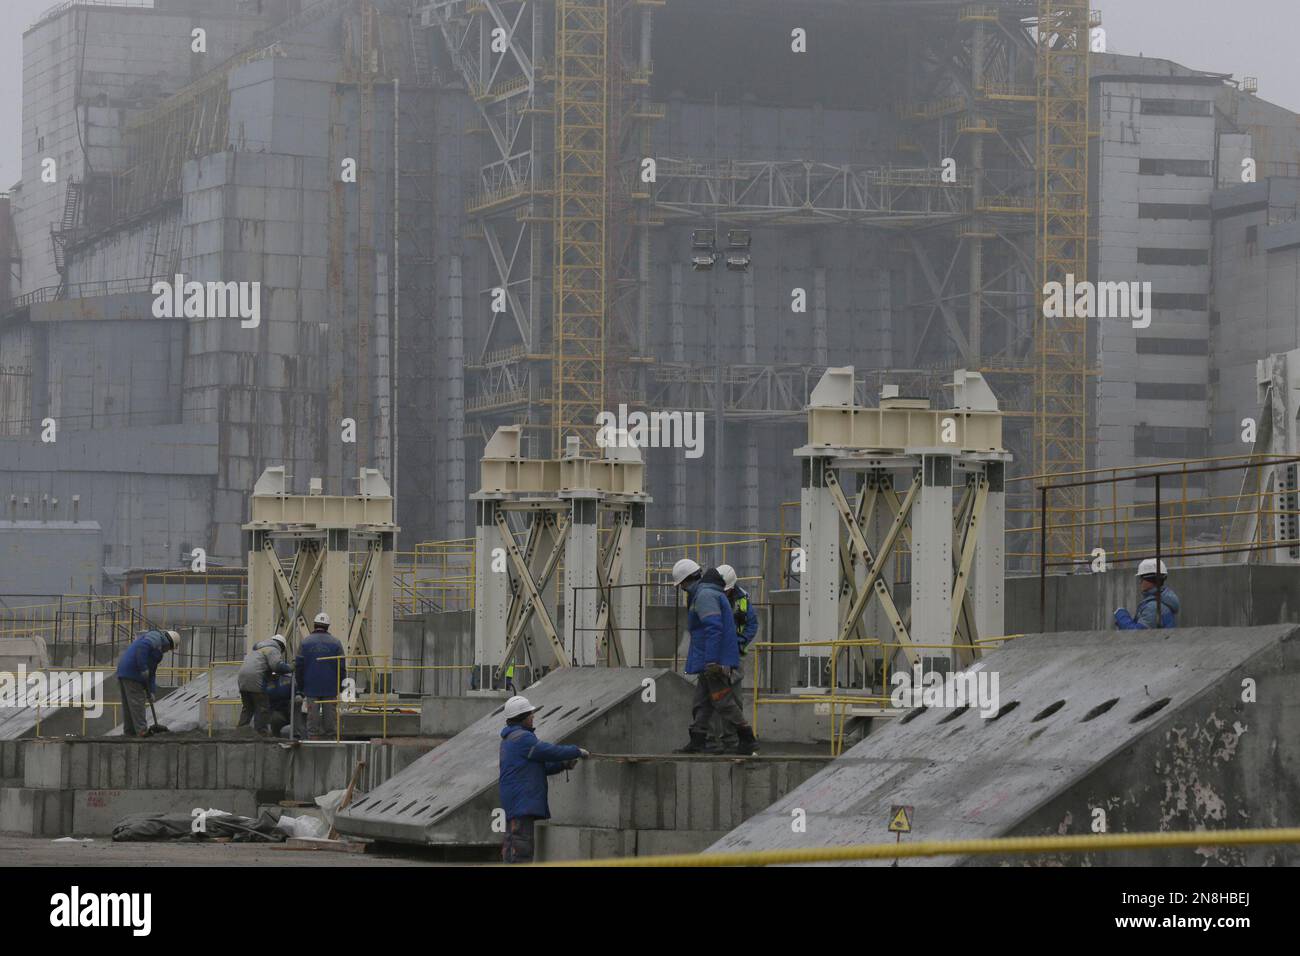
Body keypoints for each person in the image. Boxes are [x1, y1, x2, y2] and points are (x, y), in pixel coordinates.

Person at [671, 558, 756, 756]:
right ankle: (699, 740)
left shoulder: (705, 596)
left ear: (687, 580)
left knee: (723, 700)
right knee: (702, 701)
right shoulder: (704, 593)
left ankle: (747, 738)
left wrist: (711, 661)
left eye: (681, 585)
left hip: (714, 660)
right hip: (708, 658)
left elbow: (713, 629)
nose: (682, 589)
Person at [498, 695, 588, 863]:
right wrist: (576, 751)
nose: (533, 716)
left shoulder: (510, 739)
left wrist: (563, 765)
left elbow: (538, 767)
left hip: (516, 803)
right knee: (521, 849)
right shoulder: (523, 739)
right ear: (522, 717)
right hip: (521, 803)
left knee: (513, 847)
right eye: (530, 714)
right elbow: (549, 751)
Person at [709, 564, 759, 754]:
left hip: (735, 653)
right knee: (715, 698)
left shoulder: (742, 599)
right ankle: (713, 740)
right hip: (717, 653)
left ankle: (731, 740)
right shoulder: (713, 596)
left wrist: (738, 642)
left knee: (734, 698)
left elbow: (752, 624)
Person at [115, 629, 179, 737]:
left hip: (125, 671)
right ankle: (142, 731)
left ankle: (129, 732)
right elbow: (142, 647)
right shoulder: (156, 637)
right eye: (170, 648)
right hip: (133, 672)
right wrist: (143, 668)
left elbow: (152, 673)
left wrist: (152, 691)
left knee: (129, 705)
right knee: (137, 702)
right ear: (169, 643)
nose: (168, 651)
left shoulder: (158, 653)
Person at [296, 612, 346, 740]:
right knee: (330, 716)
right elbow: (341, 667)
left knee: (313, 716)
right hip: (330, 687)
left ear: (314, 625)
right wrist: (341, 685)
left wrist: (301, 685)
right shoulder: (336, 643)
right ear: (327, 626)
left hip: (311, 686)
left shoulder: (305, 643)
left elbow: (299, 666)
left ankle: (313, 739)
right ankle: (331, 740)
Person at [237, 634, 291, 735]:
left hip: (242, 679)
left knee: (247, 708)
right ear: (281, 646)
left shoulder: (257, 650)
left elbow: (261, 666)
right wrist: (290, 667)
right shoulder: (273, 649)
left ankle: (240, 733)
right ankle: (261, 734)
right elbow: (277, 666)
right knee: (262, 707)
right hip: (256, 679)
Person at [1115, 558, 1180, 630]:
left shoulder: (1153, 607)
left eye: (1141, 579)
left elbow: (1136, 634)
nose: (1140, 582)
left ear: (1151, 579)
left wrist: (1121, 615)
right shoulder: (1161, 600)